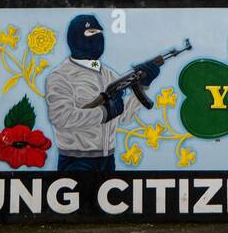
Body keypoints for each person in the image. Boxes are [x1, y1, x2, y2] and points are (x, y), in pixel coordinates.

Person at [43, 13, 160, 173]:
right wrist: (104, 113)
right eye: (91, 33)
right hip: (77, 160)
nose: (97, 37)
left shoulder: (109, 75)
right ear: (75, 38)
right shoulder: (60, 76)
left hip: (107, 159)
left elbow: (124, 118)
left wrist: (143, 85)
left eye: (99, 33)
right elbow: (62, 117)